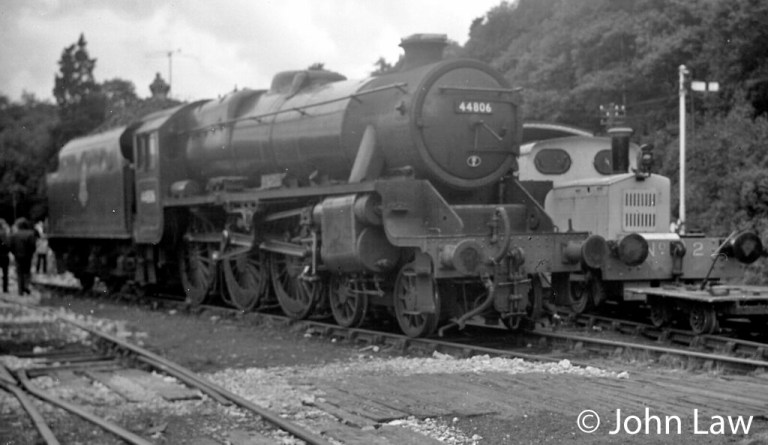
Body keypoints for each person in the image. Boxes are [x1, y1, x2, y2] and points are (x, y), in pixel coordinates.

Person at [10, 218, 37, 295]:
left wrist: (14, 253)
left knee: (19, 273)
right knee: (27, 272)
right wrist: (31, 253)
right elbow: (33, 246)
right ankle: (26, 286)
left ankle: (20, 291)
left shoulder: (15, 234)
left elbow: (11, 246)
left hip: (18, 256)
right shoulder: (31, 234)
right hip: (28, 256)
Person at [0, 219, 10, 293]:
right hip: (4, 255)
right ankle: (5, 288)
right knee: (5, 273)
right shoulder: (4, 234)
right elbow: (8, 244)